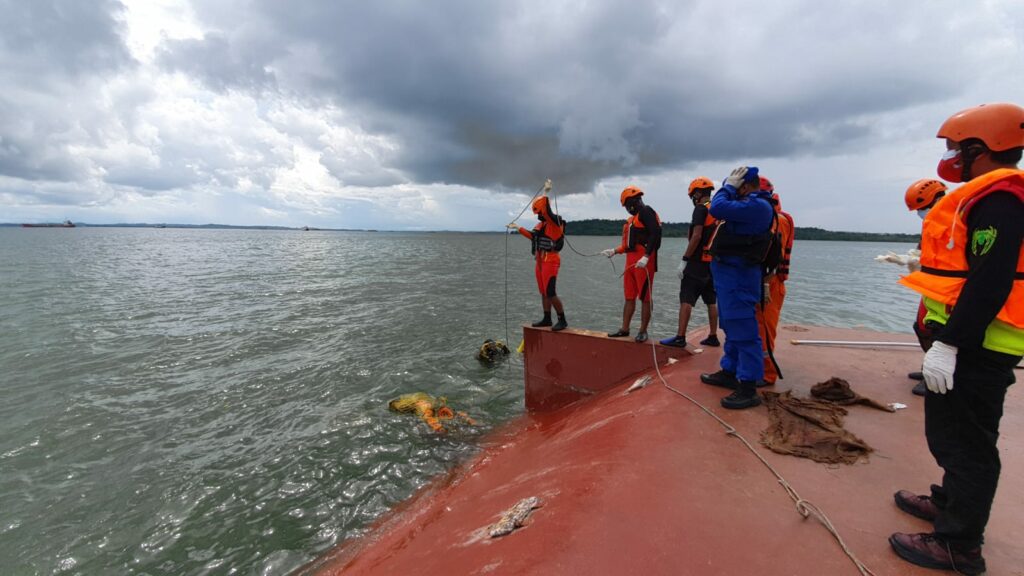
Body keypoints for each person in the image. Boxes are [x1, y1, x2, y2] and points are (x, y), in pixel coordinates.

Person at [890, 102, 1024, 575]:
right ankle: (950, 501)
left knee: (968, 443)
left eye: (956, 148)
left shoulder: (1000, 202)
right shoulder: (986, 197)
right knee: (952, 434)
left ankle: (959, 545)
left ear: (979, 149)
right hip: (969, 339)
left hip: (979, 346)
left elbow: (991, 280)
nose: (950, 157)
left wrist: (950, 345)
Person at [699, 167, 775, 409]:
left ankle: (748, 386)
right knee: (731, 328)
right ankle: (730, 372)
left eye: (735, 186)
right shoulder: (747, 206)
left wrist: (728, 187)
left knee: (744, 331)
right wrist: (731, 188)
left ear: (744, 186)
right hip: (730, 278)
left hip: (740, 278)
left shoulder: (758, 206)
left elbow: (717, 207)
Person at [660, 177, 721, 348]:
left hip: (696, 262)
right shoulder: (717, 210)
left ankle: (680, 337)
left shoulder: (701, 209)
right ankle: (713, 335)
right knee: (711, 301)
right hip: (712, 263)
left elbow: (696, 236)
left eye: (693, 196)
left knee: (686, 298)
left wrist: (685, 259)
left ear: (698, 194)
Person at [904, 178, 948, 396]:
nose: (921, 213)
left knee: (937, 330)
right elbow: (922, 251)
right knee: (921, 327)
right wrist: (910, 260)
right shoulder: (931, 223)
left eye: (923, 208)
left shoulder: (957, 220)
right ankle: (928, 368)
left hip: (948, 289)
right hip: (931, 287)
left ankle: (936, 376)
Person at [602, 186, 662, 343]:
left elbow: (655, 233)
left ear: (632, 202)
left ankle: (643, 331)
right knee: (629, 297)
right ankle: (625, 328)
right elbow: (630, 244)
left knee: (645, 298)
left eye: (628, 206)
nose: (628, 209)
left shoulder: (646, 212)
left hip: (644, 263)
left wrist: (647, 256)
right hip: (630, 263)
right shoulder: (632, 220)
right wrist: (614, 251)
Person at [508, 189, 568, 332]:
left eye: (540, 212)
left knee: (550, 291)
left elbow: (547, 211)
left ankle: (562, 320)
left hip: (551, 260)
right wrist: (518, 227)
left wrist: (545, 193)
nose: (540, 215)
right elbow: (532, 236)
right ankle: (547, 318)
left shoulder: (555, 222)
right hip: (540, 261)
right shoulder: (541, 226)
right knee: (543, 292)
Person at [754, 176, 794, 386]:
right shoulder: (769, 218)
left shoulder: (778, 221)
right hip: (764, 282)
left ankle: (767, 374)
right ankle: (755, 369)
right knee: (757, 328)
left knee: (766, 331)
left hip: (770, 284)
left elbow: (773, 261)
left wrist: (764, 285)